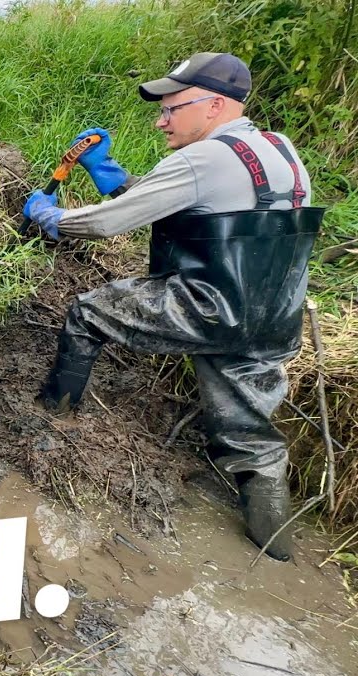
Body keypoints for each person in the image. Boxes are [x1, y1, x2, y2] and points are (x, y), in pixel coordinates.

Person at [21, 52, 325, 562]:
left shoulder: (200, 158)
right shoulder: (281, 150)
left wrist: (52, 217)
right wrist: (111, 176)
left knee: (88, 312)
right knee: (252, 437)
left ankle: (53, 417)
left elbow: (105, 224)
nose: (161, 120)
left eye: (171, 108)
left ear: (213, 106)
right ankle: (276, 555)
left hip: (207, 306)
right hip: (272, 320)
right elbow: (198, 204)